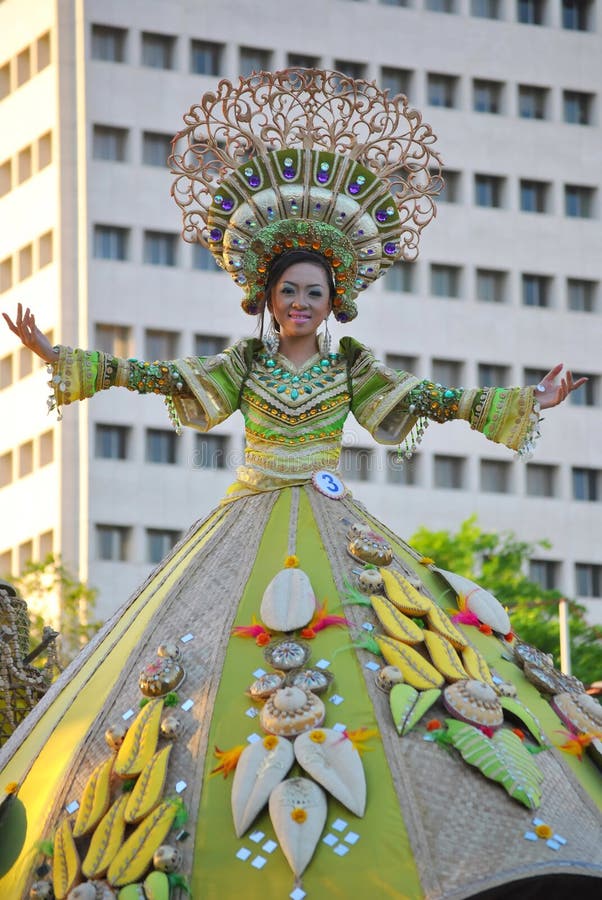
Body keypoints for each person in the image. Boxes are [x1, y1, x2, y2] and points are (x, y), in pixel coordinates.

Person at [1, 69, 600, 900]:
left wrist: (527, 400)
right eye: (289, 292)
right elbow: (164, 376)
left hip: (332, 514)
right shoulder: (244, 362)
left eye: (314, 294)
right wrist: (67, 360)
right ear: (267, 296)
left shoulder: (350, 366)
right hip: (245, 517)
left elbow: (428, 398)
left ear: (334, 300)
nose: (301, 305)